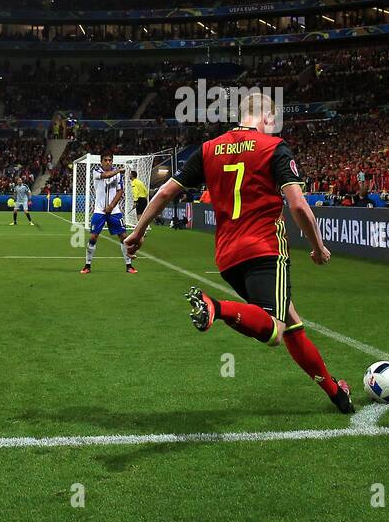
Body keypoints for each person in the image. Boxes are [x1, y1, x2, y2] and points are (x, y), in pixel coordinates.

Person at [123, 92, 355, 414]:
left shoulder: (209, 149)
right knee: (275, 330)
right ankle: (215, 306)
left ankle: (337, 393)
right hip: (265, 249)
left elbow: (164, 192)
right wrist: (318, 247)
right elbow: (299, 205)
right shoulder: (274, 147)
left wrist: (138, 231)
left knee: (290, 321)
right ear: (268, 118)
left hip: (228, 257)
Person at [81, 151, 135, 274]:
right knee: (93, 237)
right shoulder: (96, 171)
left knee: (123, 236)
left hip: (114, 211)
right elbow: (106, 176)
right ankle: (87, 265)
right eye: (105, 160)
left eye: (110, 160)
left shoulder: (117, 174)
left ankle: (129, 265)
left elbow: (120, 191)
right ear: (101, 162)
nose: (108, 162)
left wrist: (111, 206)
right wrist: (119, 170)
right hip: (99, 210)